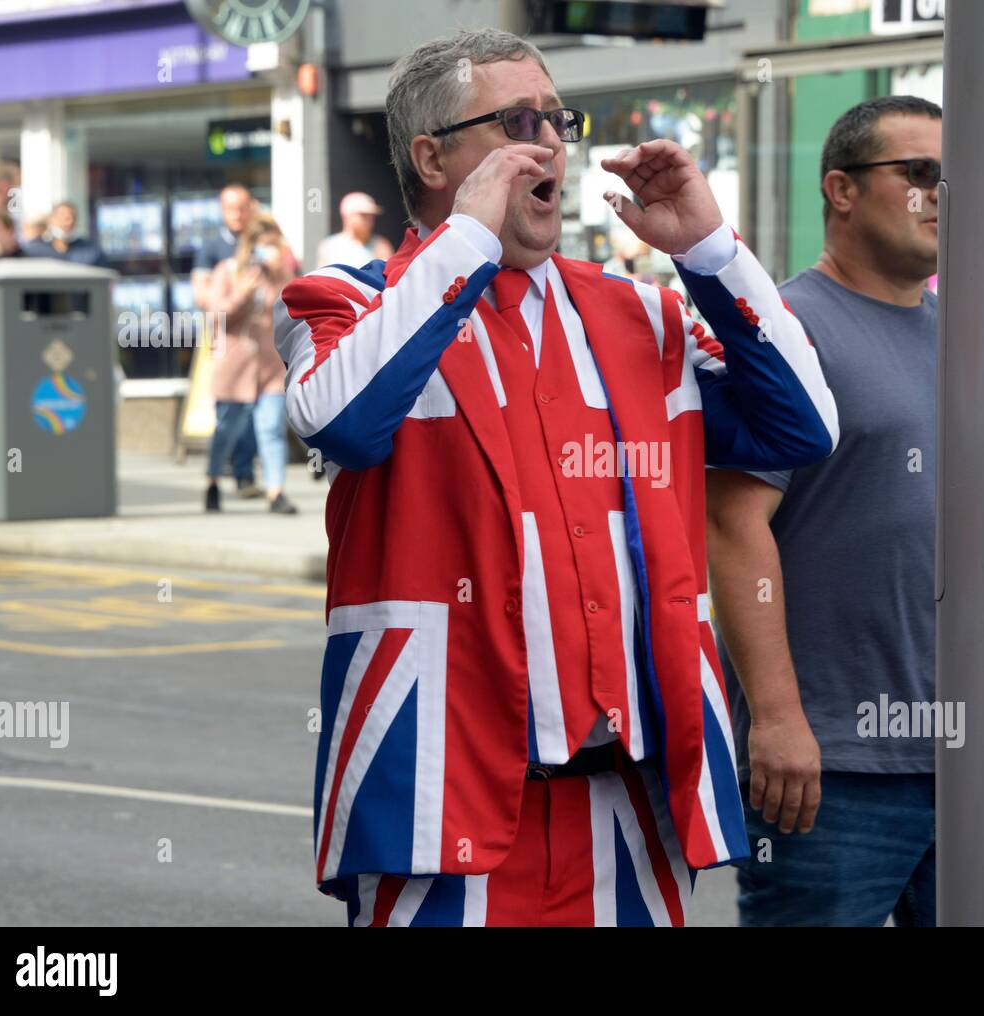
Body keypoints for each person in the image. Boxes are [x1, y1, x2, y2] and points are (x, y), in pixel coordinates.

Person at [274, 27, 838, 927]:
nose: (549, 146)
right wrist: (467, 240)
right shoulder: (347, 299)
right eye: (516, 123)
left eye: (558, 122)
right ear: (431, 157)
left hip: (629, 803)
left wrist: (710, 251)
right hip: (439, 792)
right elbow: (340, 421)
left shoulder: (642, 312)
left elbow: (804, 426)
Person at [707, 95, 942, 927]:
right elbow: (732, 527)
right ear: (841, 190)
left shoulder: (967, 335)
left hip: (967, 758)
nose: (940, 194)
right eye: (919, 174)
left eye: (953, 177)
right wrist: (774, 720)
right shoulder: (788, 328)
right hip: (830, 770)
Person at [205, 213, 298, 515]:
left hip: (270, 366)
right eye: (263, 246)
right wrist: (242, 294)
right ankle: (213, 482)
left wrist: (282, 276)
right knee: (226, 430)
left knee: (271, 428)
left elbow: (295, 311)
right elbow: (216, 316)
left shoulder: (280, 274)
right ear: (250, 246)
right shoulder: (228, 271)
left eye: (273, 245)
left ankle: (276, 492)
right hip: (235, 366)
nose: (267, 253)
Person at [193, 184, 262, 499]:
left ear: (252, 208)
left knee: (252, 412)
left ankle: (245, 475)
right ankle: (217, 476)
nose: (237, 214)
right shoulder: (211, 248)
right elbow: (202, 294)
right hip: (226, 339)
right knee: (228, 411)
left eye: (242, 207)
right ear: (221, 211)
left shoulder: (262, 245)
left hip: (259, 342)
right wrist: (232, 300)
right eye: (230, 208)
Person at [315, 191, 394, 268]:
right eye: (363, 215)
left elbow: (387, 276)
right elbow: (322, 277)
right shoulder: (329, 246)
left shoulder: (381, 245)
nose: (369, 219)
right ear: (346, 215)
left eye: (371, 215)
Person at [25, 201, 105, 266]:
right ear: (52, 219)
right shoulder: (35, 249)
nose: (68, 223)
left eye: (72, 218)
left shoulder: (90, 250)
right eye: (63, 218)